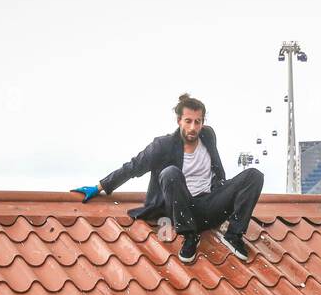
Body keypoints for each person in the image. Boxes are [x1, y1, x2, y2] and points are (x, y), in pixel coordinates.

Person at [71, 93, 264, 266]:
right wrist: (100, 186)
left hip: (211, 206)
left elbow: (218, 173)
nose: (193, 127)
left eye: (198, 122)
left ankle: (234, 235)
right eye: (188, 121)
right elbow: (134, 166)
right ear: (179, 120)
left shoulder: (208, 136)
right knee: (170, 172)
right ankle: (189, 237)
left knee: (254, 175)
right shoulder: (163, 145)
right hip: (183, 210)